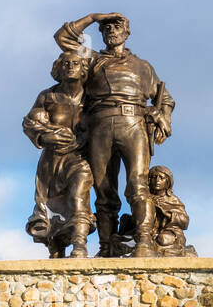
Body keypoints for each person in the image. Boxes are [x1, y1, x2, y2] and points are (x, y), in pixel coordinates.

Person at [53, 13, 174, 257]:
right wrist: (94, 17)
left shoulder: (143, 66)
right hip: (99, 125)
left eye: (117, 26)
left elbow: (166, 100)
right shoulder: (92, 59)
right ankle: (106, 246)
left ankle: (143, 242)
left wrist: (164, 117)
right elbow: (63, 37)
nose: (111, 30)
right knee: (103, 189)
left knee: (137, 184)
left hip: (134, 124)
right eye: (106, 27)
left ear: (127, 33)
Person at [22, 51, 95, 258]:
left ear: (83, 70)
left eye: (75, 63)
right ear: (58, 69)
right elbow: (29, 123)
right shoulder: (48, 96)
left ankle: (79, 245)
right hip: (51, 159)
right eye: (65, 64)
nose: (70, 67)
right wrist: (47, 136)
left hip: (80, 157)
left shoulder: (92, 97)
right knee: (51, 205)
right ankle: (56, 248)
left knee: (78, 194)